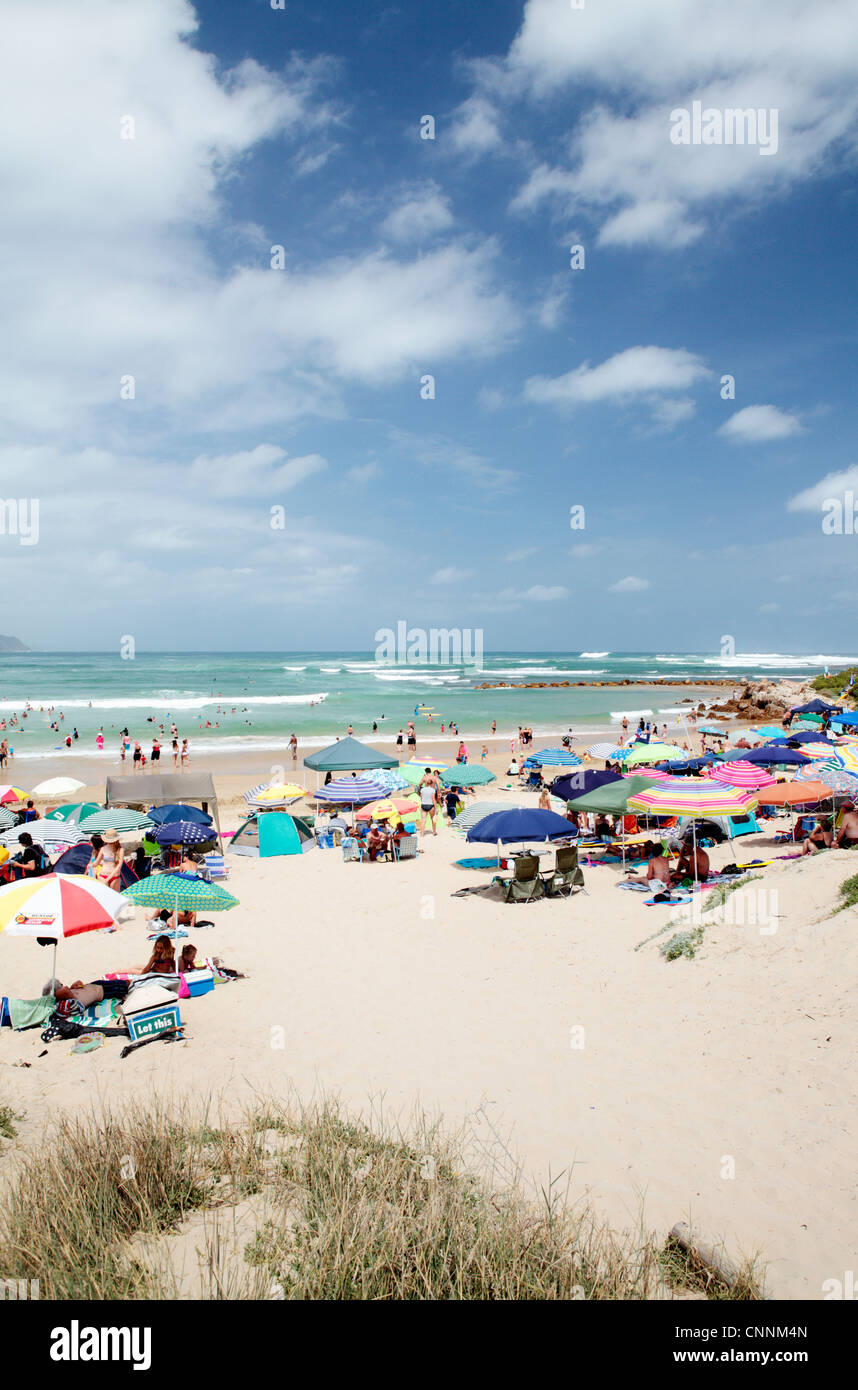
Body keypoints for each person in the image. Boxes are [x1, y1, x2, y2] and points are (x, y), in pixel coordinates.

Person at [417, 770, 438, 837]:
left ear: (426, 783)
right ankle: (434, 832)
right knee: (433, 819)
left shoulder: (422, 790)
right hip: (430, 806)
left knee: (423, 820)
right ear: (431, 784)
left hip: (423, 805)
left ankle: (422, 834)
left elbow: (421, 797)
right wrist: (436, 808)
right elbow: (433, 800)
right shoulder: (433, 790)